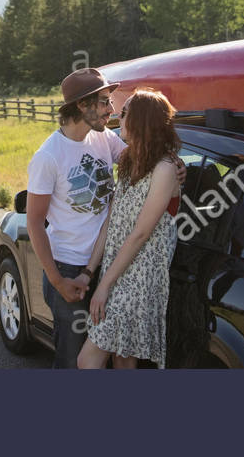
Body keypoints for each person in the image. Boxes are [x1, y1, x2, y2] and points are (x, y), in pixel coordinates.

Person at [25, 68, 184, 368]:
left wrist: (176, 167)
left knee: (113, 356)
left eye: (112, 103)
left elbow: (143, 157)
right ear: (82, 105)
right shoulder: (48, 157)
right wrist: (58, 281)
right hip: (68, 268)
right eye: (104, 102)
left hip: (107, 265)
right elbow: (34, 223)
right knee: (74, 360)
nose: (110, 110)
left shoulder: (104, 138)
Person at [78, 88, 181, 369]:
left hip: (140, 279)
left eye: (124, 114)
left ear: (141, 121)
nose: (118, 119)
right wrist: (90, 272)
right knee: (123, 360)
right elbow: (111, 222)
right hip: (116, 271)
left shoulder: (165, 169)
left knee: (87, 361)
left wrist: (104, 287)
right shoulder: (128, 162)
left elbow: (141, 233)